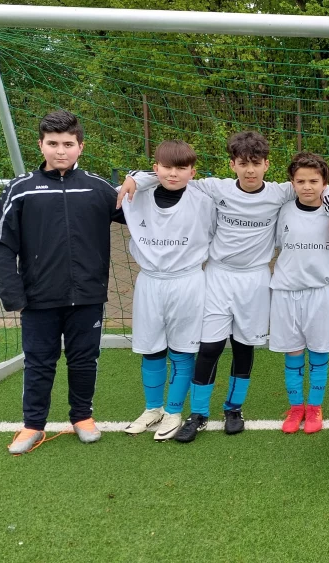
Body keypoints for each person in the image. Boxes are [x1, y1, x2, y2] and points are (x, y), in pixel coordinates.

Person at [117, 131, 329, 442]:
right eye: (242, 163)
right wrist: (134, 179)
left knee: (243, 346)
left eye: (256, 164)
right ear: (232, 165)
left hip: (256, 279)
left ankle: (233, 409)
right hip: (218, 276)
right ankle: (197, 414)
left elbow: (324, 185)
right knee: (209, 347)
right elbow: (171, 176)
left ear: (267, 164)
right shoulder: (215, 188)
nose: (249, 170)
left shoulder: (281, 192)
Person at [0, 110, 127, 455]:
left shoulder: (97, 189)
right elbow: (2, 244)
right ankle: (33, 425)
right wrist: (12, 293)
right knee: (39, 361)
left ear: (81, 146)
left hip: (87, 296)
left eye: (68, 143)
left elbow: (146, 215)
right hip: (38, 297)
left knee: (84, 359)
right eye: (53, 144)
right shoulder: (20, 190)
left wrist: (142, 179)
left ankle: (82, 417)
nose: (61, 150)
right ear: (41, 145)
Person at [121, 140, 215, 441]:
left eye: (182, 168)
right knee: (151, 348)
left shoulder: (204, 197)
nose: (173, 174)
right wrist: (135, 177)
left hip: (187, 281)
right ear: (155, 168)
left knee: (183, 349)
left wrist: (138, 175)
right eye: (167, 167)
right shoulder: (135, 194)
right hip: (149, 282)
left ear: (193, 171)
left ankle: (174, 410)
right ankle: (153, 408)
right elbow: (116, 193)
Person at [270, 152, 329, 434]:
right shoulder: (283, 210)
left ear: (324, 183)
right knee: (293, 353)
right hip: (285, 291)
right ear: (291, 182)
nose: (307, 186)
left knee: (318, 352)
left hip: (320, 293)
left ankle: (314, 408)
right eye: (300, 180)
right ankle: (295, 407)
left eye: (314, 181)